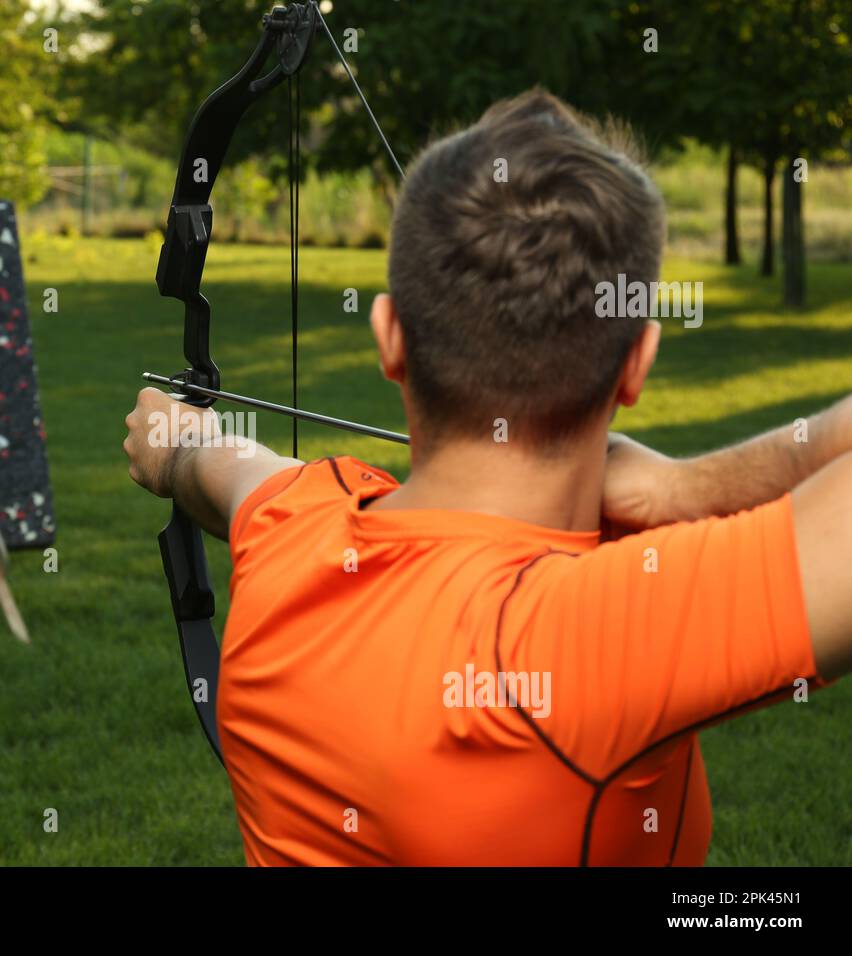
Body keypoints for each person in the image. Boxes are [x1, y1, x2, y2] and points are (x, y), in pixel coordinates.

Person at [123, 90, 846, 866]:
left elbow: (221, 468)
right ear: (637, 360)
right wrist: (680, 491)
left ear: (389, 337)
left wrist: (174, 444)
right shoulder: (590, 639)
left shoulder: (290, 530)